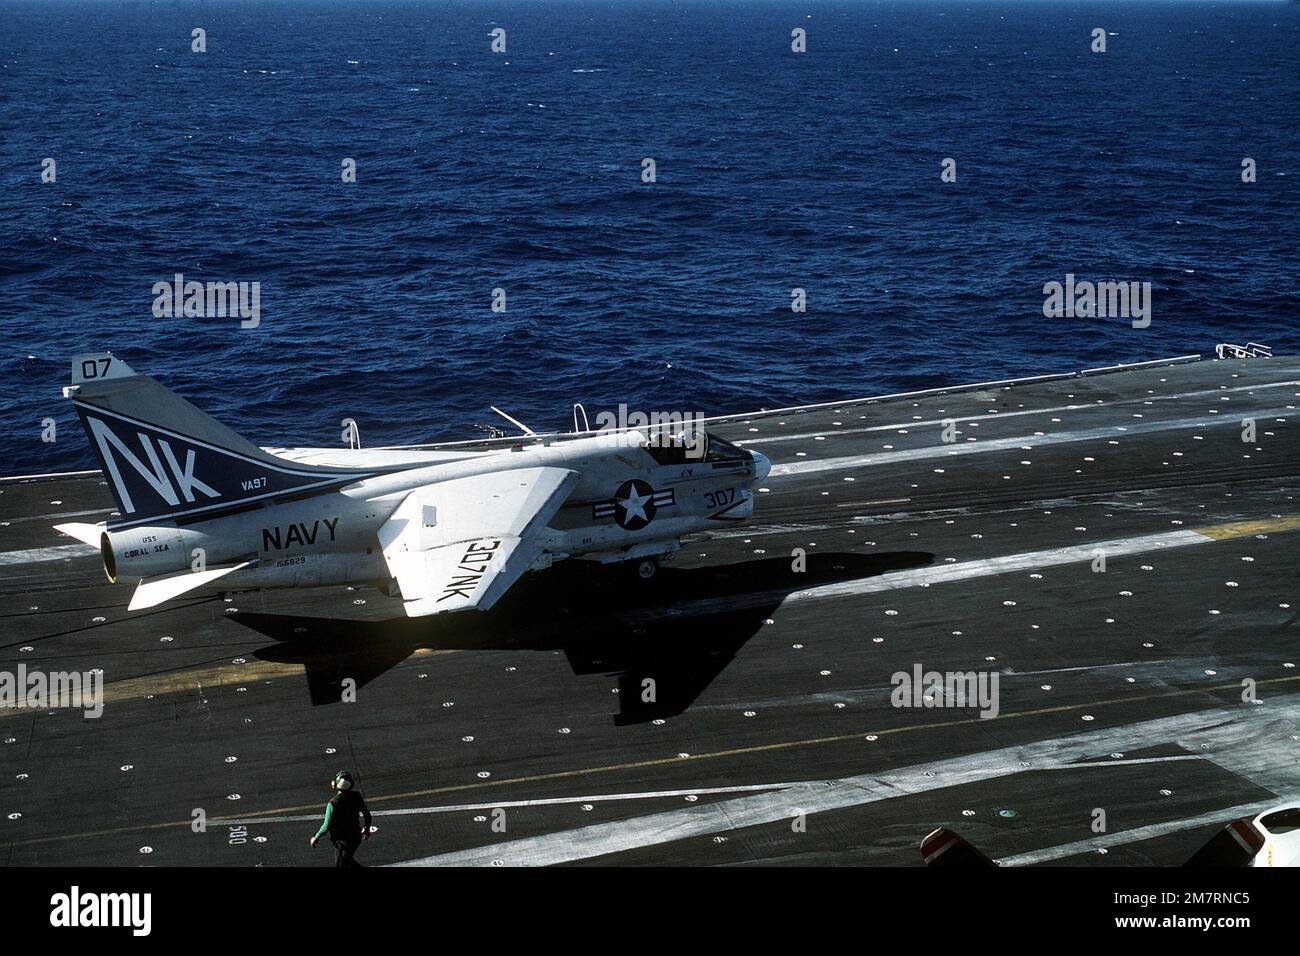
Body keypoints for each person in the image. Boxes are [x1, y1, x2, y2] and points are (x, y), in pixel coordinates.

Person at [310, 771, 373, 867]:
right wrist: (367, 830)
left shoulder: (333, 803)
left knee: (341, 864)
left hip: (343, 842)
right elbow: (367, 815)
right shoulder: (356, 796)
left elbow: (326, 826)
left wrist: (316, 836)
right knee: (347, 861)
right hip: (356, 837)